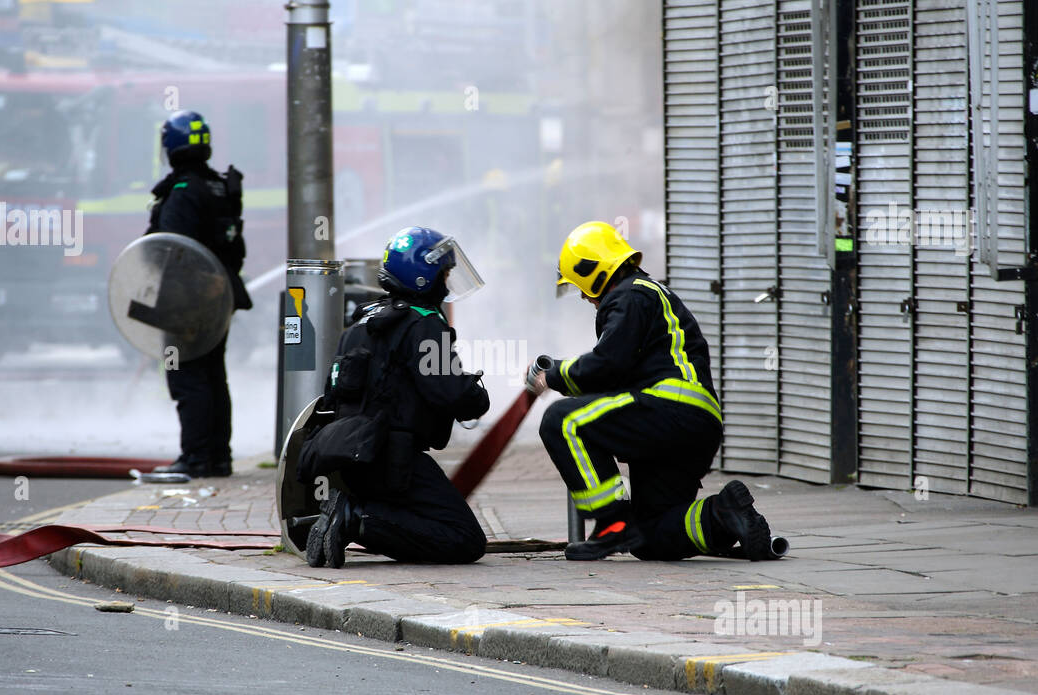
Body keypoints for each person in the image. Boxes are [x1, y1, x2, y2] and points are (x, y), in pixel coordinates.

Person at [533, 220, 773, 562]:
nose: (585, 297)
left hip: (668, 411)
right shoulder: (646, 295)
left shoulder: (629, 296)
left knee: (562, 421)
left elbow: (607, 366)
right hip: (692, 427)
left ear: (596, 272)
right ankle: (724, 514)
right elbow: (616, 374)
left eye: (583, 287)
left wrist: (553, 374)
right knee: (650, 537)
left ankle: (612, 524)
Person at [300, 226, 490, 569]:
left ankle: (349, 514)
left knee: (418, 520)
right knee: (465, 539)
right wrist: (477, 396)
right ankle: (354, 519)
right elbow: (449, 392)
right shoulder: (425, 323)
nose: (447, 283)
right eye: (444, 274)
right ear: (423, 278)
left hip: (354, 459)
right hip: (395, 461)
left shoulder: (363, 320)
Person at [147, 110, 253, 478]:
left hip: (185, 303)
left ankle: (195, 458)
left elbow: (170, 250)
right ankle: (218, 457)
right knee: (212, 375)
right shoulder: (220, 186)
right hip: (219, 297)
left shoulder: (181, 191)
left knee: (188, 376)